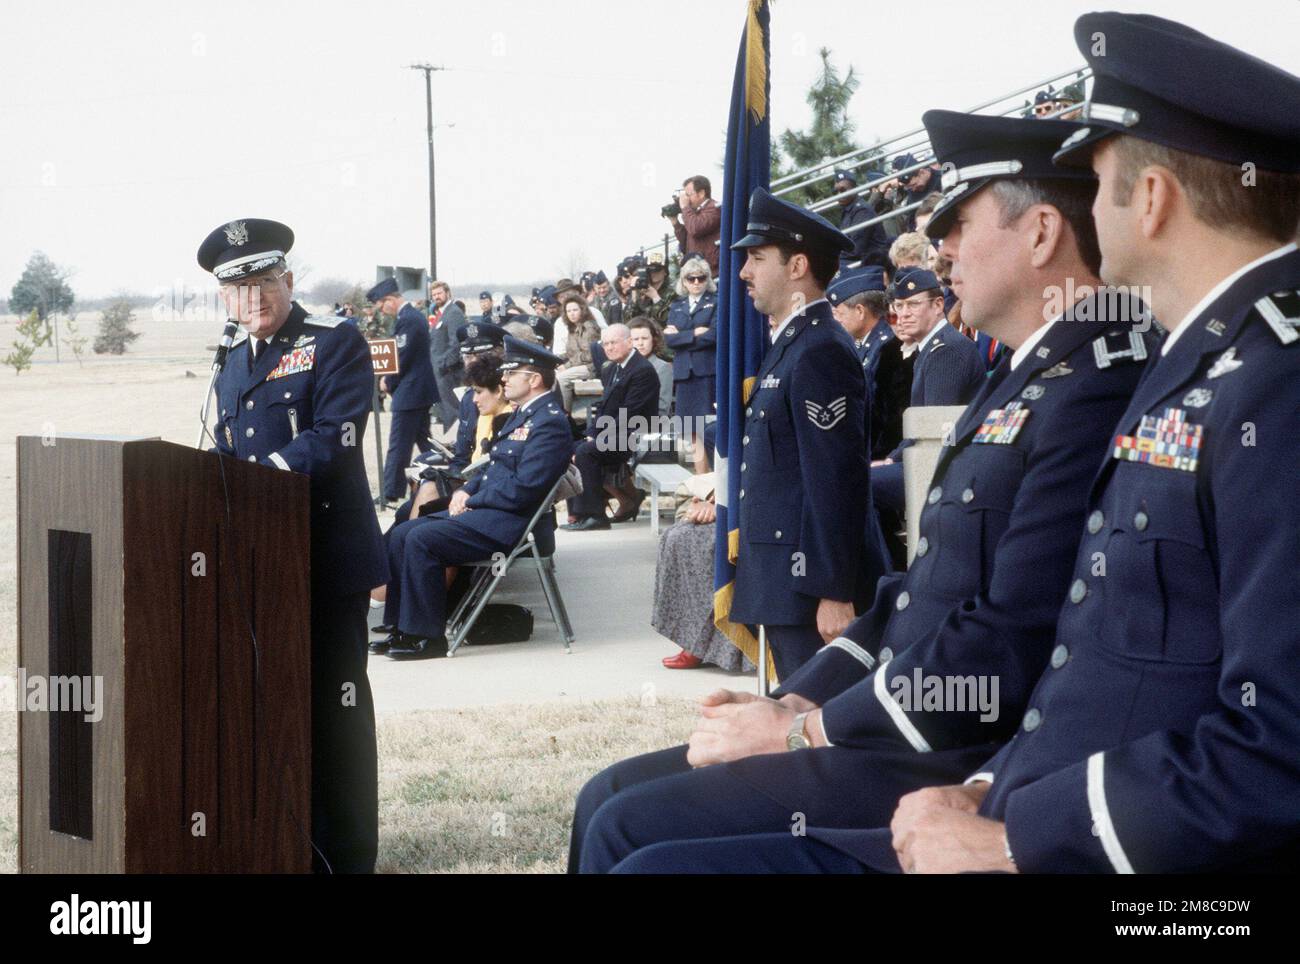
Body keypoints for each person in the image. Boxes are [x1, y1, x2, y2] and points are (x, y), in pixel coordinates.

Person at [567, 107, 1157, 875]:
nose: (941, 250)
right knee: (607, 798)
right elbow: (919, 596)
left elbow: (1004, 634)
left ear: (1040, 233)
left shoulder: (1093, 385)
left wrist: (805, 731)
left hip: (948, 748)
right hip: (899, 719)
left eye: (959, 222)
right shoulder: (1023, 376)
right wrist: (796, 701)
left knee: (629, 833)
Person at [875, 11, 1300, 876]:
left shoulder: (1276, 384)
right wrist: (996, 787)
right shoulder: (1198, 362)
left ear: (1151, 199)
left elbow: (1280, 747)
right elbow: (1109, 669)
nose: (1084, 210)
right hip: (1056, 813)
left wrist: (1012, 839)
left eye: (1098, 181)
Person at [198, 217, 386, 874]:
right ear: (224, 297)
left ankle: (348, 857)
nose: (253, 300)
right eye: (238, 290)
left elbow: (335, 438)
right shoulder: (231, 358)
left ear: (287, 278)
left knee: (336, 711)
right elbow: (226, 445)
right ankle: (289, 846)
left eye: (263, 283)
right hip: (260, 569)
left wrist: (258, 478)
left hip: (326, 561)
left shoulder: (332, 344)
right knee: (273, 708)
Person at [379, 337, 572, 659]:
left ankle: (428, 637)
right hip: (492, 514)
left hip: (509, 523)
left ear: (534, 380)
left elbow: (525, 488)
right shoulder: (525, 415)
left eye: (512, 373)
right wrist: (466, 488)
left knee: (421, 538)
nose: (505, 379)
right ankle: (402, 627)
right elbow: (494, 465)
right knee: (402, 533)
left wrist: (474, 501)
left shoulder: (549, 422)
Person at [654, 474, 755, 673]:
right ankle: (698, 641)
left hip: (766, 506)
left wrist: (724, 507)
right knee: (677, 535)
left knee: (690, 540)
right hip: (740, 490)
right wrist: (715, 498)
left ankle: (704, 643)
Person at [563, 323, 660, 531]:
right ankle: (577, 515)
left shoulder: (642, 370)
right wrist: (591, 433)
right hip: (617, 431)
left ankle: (595, 516)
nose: (609, 348)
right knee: (569, 446)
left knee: (586, 452)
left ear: (628, 342)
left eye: (614, 342)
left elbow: (630, 413)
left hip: (635, 434)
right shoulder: (613, 368)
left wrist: (598, 438)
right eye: (605, 344)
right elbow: (604, 406)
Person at [367, 278, 437, 503]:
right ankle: (445, 476)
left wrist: (388, 380)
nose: (383, 311)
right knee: (425, 442)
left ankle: (391, 492)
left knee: (398, 445)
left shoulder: (408, 320)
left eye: (382, 306)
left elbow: (402, 356)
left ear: (389, 300)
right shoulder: (410, 318)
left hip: (411, 392)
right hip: (417, 391)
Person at [662, 255, 718, 470]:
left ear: (707, 279)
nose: (696, 282)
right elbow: (668, 341)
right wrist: (695, 333)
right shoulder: (677, 306)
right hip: (685, 374)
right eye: (690, 278)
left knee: (709, 426)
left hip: (706, 371)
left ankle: (713, 477)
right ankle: (701, 477)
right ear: (683, 281)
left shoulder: (716, 301)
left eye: (701, 278)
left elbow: (714, 336)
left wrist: (682, 337)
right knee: (691, 428)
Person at [832, 169, 893, 270]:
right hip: (862, 264)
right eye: (836, 192)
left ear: (854, 189)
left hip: (874, 265)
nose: (839, 195)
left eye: (843, 190)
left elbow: (854, 249)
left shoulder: (862, 210)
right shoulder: (848, 209)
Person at [428, 280, 468, 429]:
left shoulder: (453, 313)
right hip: (439, 372)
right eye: (434, 295)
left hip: (449, 372)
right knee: (445, 411)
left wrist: (443, 365)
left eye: (439, 293)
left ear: (448, 293)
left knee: (453, 412)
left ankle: (458, 445)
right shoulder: (441, 313)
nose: (436, 297)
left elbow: (456, 343)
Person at [554, 296, 603, 411]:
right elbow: (571, 353)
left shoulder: (589, 327)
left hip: (592, 367)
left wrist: (566, 366)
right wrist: (554, 361)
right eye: (568, 311)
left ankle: (566, 414)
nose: (572, 314)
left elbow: (589, 355)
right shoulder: (572, 329)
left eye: (575, 310)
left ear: (582, 310)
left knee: (562, 378)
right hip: (579, 365)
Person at [667, 175, 721, 274]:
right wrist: (675, 223)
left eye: (688, 195)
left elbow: (695, 229)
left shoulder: (714, 208)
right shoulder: (694, 214)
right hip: (697, 271)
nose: (685, 199)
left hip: (712, 272)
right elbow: (685, 243)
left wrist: (684, 207)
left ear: (701, 193)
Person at [627, 316, 673, 418]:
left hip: (650, 425)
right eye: (636, 339)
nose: (640, 343)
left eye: (644, 338)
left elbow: (662, 408)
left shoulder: (662, 368)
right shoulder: (623, 367)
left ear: (653, 340)